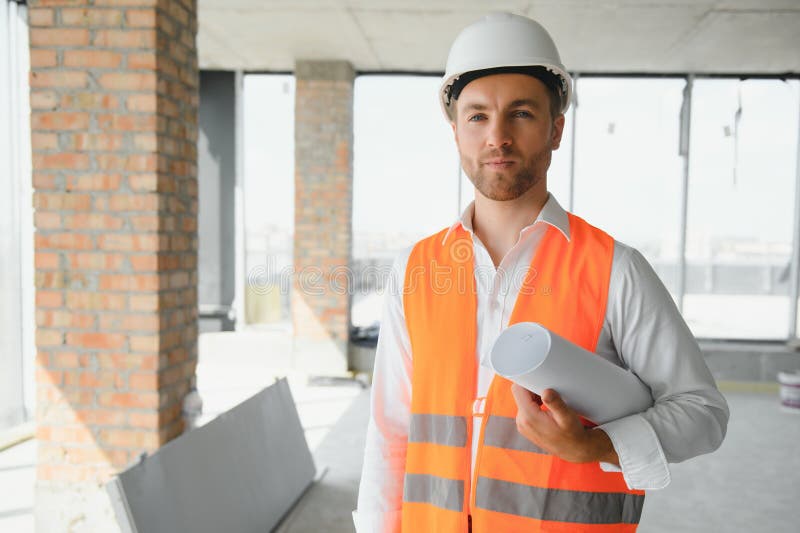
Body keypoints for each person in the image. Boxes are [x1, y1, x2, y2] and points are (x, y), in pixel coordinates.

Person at [354, 12, 729, 533]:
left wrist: (597, 445)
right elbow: (390, 432)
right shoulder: (415, 269)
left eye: (522, 114)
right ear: (456, 132)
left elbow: (702, 412)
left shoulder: (614, 268)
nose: (497, 137)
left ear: (556, 130)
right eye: (477, 116)